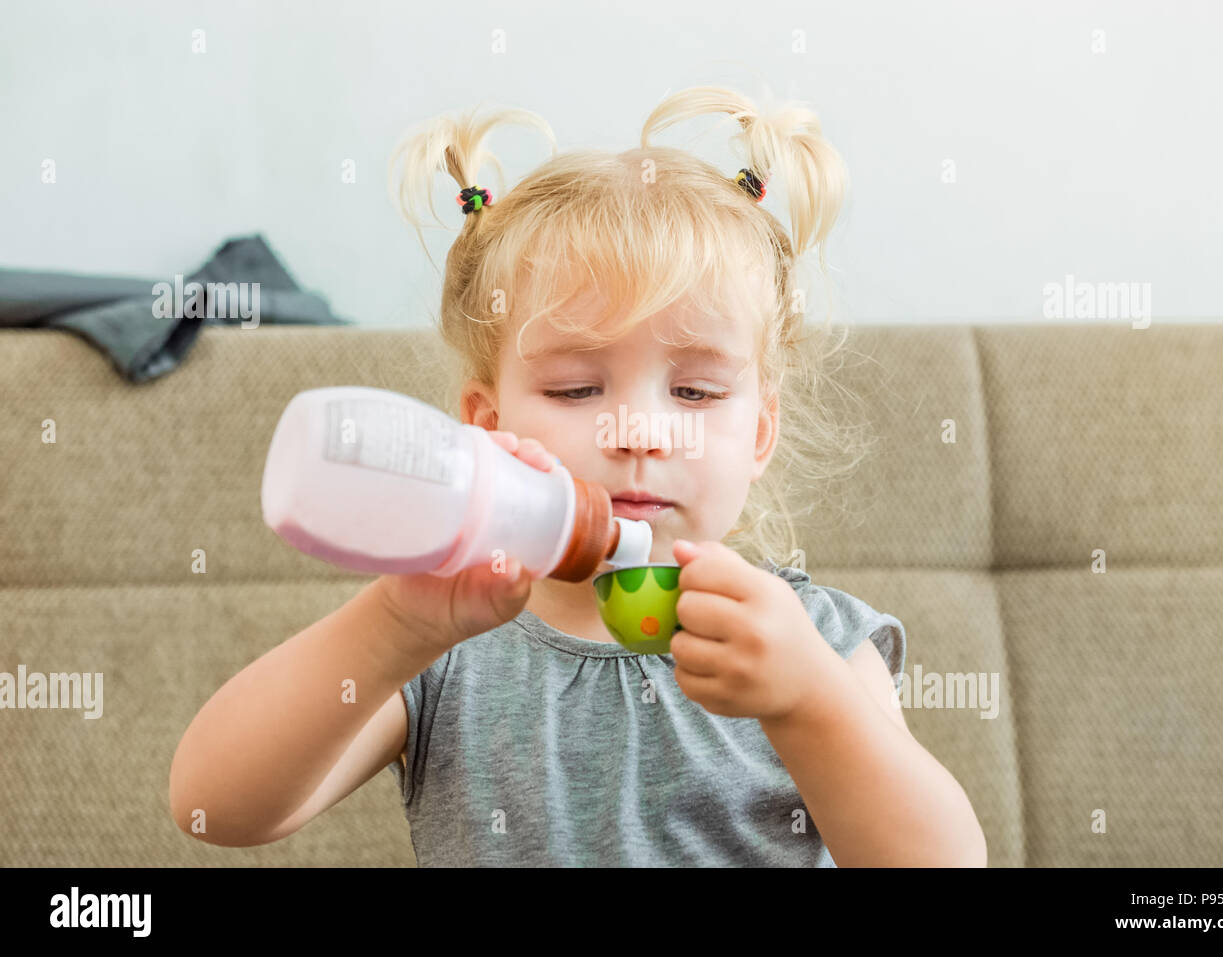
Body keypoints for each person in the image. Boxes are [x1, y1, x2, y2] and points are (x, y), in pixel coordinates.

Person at [169, 85, 986, 867]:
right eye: (575, 389)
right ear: (488, 427)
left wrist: (808, 698)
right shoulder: (453, 650)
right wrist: (393, 624)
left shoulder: (819, 642)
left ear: (760, 431)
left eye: (696, 391)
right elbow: (213, 806)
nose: (637, 433)